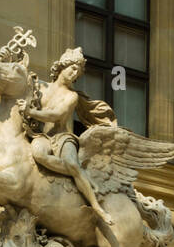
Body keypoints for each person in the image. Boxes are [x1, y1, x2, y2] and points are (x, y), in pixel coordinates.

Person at [22, 46, 115, 225]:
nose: (74, 74)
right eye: (72, 68)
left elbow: (56, 115)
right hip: (42, 136)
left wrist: (31, 112)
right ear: (62, 66)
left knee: (72, 164)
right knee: (38, 153)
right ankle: (81, 176)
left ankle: (96, 206)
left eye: (78, 72)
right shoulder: (40, 86)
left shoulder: (71, 96)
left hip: (63, 137)